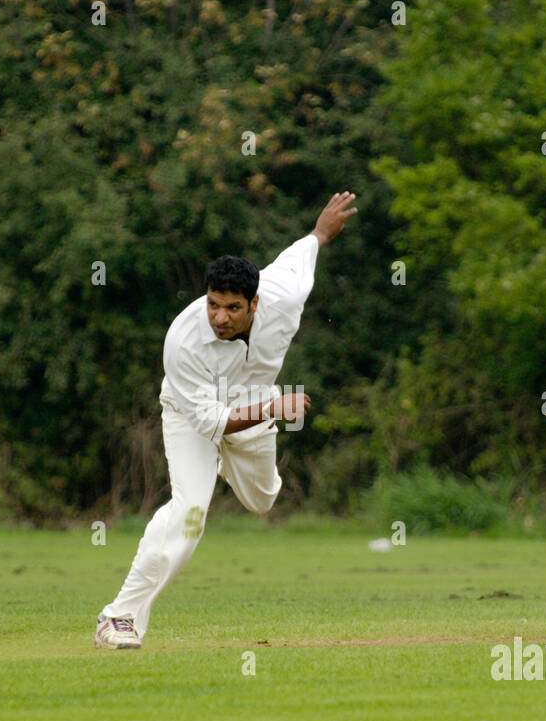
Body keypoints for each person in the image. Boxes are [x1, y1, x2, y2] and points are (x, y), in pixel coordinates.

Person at [96, 192, 358, 649]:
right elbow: (212, 423)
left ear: (255, 302)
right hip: (192, 414)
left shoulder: (285, 294)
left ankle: (228, 464)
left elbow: (303, 251)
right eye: (213, 304)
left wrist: (320, 232)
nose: (220, 317)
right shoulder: (183, 340)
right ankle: (119, 618)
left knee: (262, 501)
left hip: (253, 405)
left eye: (232, 308)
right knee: (191, 510)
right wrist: (277, 407)